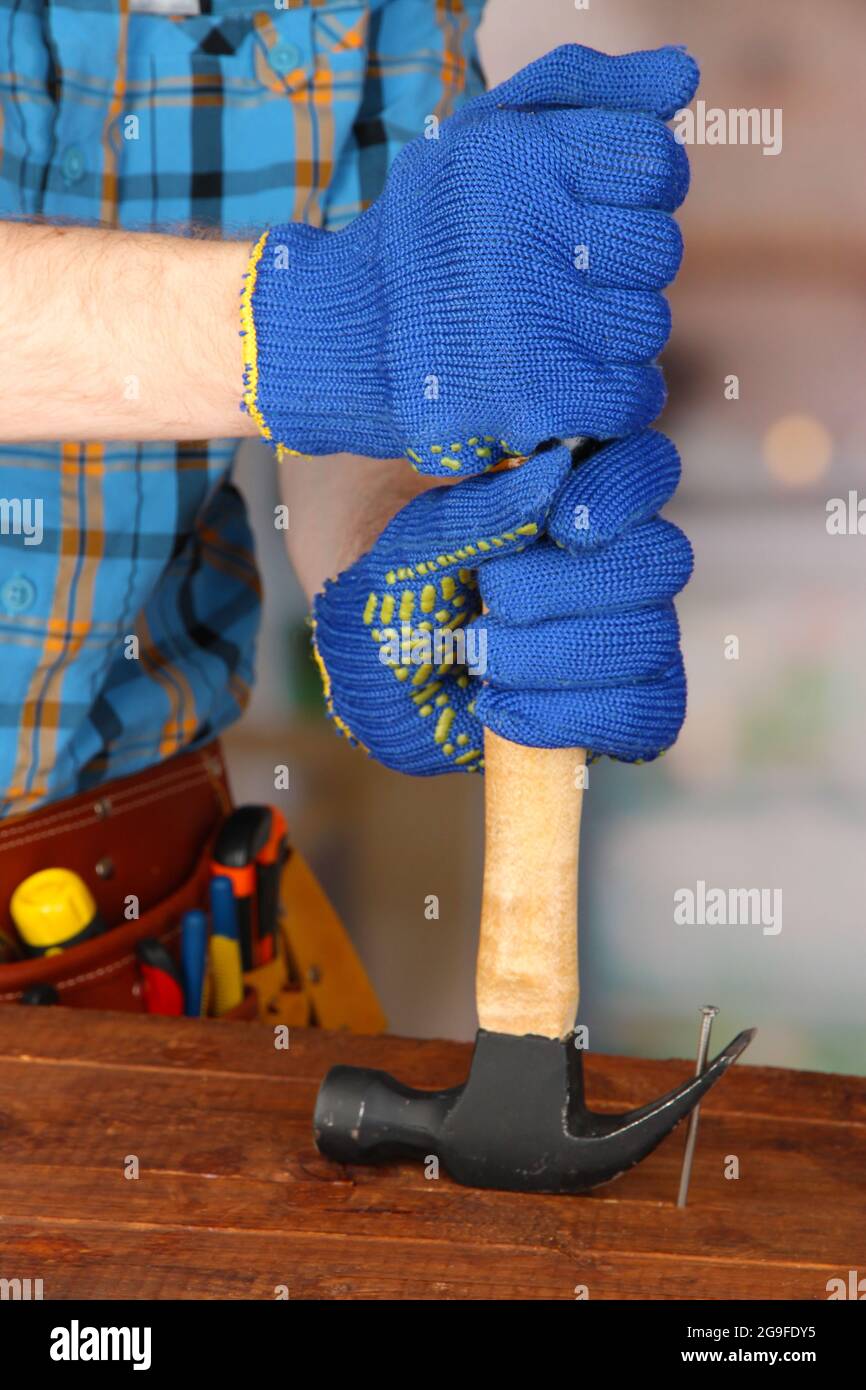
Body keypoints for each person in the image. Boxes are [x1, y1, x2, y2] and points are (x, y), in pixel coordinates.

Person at [0, 7, 696, 987]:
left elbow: (382, 378)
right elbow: (343, 320)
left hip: (155, 928)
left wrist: (408, 555)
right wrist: (304, 322)